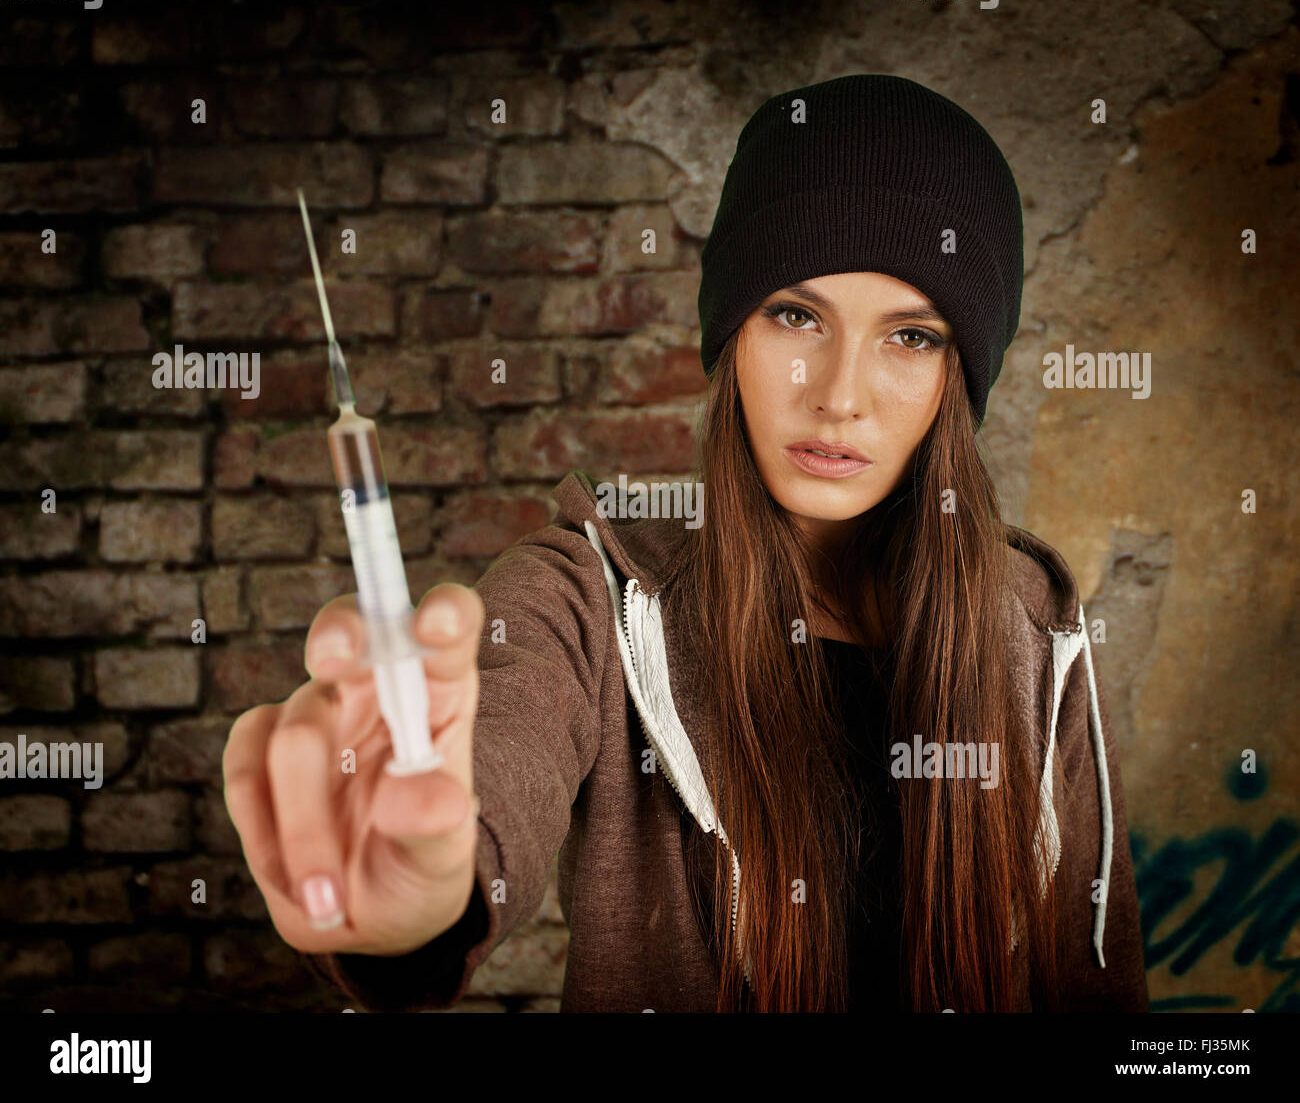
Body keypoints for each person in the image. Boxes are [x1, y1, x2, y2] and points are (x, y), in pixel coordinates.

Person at [223, 74, 1149, 1013]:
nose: (839, 393)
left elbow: (1098, 989)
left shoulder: (1036, 627)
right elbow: (491, 771)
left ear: (962, 373)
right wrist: (417, 911)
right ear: (731, 336)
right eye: (795, 316)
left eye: (910, 336)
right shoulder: (590, 594)